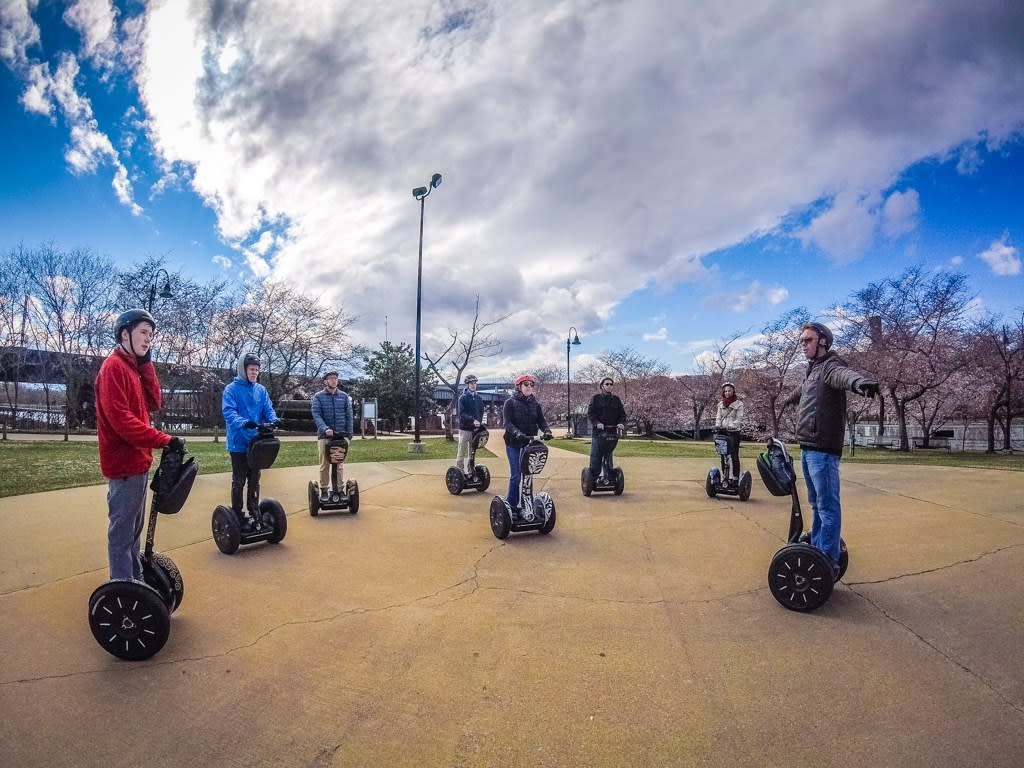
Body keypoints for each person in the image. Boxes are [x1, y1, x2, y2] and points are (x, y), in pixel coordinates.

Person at [783, 321, 878, 577]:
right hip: (808, 447)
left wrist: (861, 383)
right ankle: (818, 549)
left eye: (808, 340)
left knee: (827, 506)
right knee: (816, 505)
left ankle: (826, 563)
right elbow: (801, 391)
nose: (803, 345)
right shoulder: (813, 371)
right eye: (802, 340)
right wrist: (787, 399)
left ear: (822, 341)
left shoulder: (830, 367)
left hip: (823, 450)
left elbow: (844, 377)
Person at [95, 308, 181, 581]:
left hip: (139, 463)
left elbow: (155, 402)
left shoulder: (132, 368)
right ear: (124, 333)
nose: (148, 339)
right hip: (123, 465)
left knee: (133, 532)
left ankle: (135, 582)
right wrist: (163, 439)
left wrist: (146, 364)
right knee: (122, 535)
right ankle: (121, 587)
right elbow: (122, 422)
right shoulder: (113, 368)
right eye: (143, 332)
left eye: (151, 335)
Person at [222, 351, 278, 525]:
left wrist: (274, 419)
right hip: (238, 443)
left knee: (254, 479)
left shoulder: (261, 390)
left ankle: (254, 511)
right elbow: (228, 412)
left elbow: (267, 409)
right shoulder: (231, 389)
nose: (254, 372)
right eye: (251, 369)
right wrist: (243, 422)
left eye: (256, 370)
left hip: (256, 443)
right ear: (242, 369)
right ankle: (237, 513)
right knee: (239, 480)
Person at [502, 374, 552, 510]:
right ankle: (512, 506)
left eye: (531, 385)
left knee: (528, 474)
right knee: (516, 475)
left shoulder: (535, 403)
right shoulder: (510, 402)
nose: (529, 387)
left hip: (529, 443)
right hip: (513, 443)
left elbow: (541, 420)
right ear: (519, 387)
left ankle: (527, 504)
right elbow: (507, 423)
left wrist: (547, 431)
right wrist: (518, 433)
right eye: (526, 384)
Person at [311, 370, 354, 499]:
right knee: (325, 463)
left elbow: (349, 416)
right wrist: (325, 428)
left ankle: (340, 490)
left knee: (339, 463)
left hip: (341, 436)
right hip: (325, 436)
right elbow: (316, 415)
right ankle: (324, 490)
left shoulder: (344, 397)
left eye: (335, 378)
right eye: (330, 378)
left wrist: (349, 435)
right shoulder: (318, 397)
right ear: (326, 381)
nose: (333, 380)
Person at [587, 377, 626, 477]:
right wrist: (597, 423)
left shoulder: (616, 400)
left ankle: (609, 475)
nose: (609, 386)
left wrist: (621, 423)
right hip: (598, 433)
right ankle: (593, 477)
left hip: (611, 432)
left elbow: (622, 414)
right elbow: (590, 414)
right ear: (602, 386)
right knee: (596, 455)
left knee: (608, 455)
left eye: (611, 384)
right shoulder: (596, 398)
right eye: (607, 384)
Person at [714, 381, 745, 484]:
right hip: (722, 432)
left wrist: (732, 426)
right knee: (723, 456)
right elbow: (718, 417)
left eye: (729, 391)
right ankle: (724, 477)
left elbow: (739, 418)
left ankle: (735, 478)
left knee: (734, 456)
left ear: (733, 391)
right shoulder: (720, 404)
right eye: (725, 391)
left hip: (733, 433)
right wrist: (718, 425)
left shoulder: (739, 404)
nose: (727, 393)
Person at [456, 375, 484, 473]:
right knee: (461, 452)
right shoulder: (462, 398)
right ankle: (460, 472)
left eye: (475, 383)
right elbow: (462, 414)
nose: (473, 385)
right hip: (464, 429)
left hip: (474, 430)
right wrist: (473, 420)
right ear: (467, 385)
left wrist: (479, 422)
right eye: (471, 383)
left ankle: (471, 470)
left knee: (472, 452)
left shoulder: (479, 398)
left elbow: (481, 412)